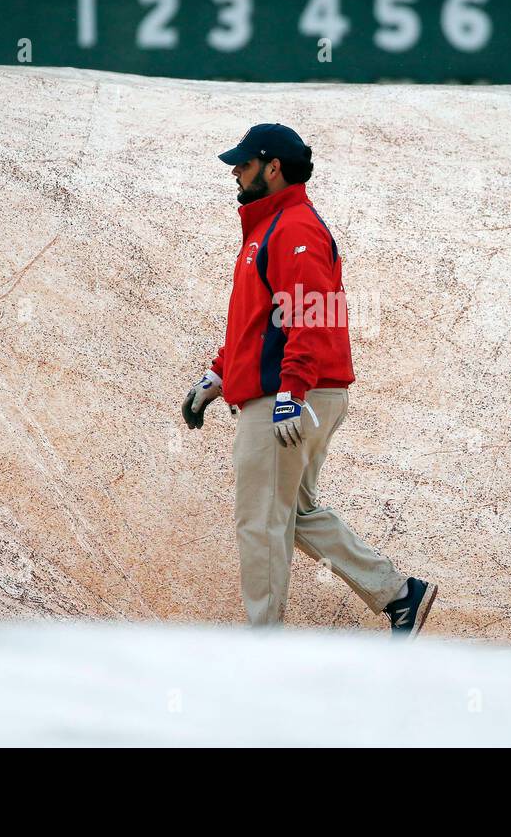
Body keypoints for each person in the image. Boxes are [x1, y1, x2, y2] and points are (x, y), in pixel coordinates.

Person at [183, 123, 437, 638]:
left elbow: (309, 314)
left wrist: (289, 395)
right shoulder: (269, 227)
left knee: (260, 520)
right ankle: (398, 594)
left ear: (272, 167)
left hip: (289, 396)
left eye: (244, 163)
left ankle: (264, 641)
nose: (235, 170)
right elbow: (257, 321)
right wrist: (217, 374)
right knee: (292, 514)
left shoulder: (294, 227)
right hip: (294, 392)